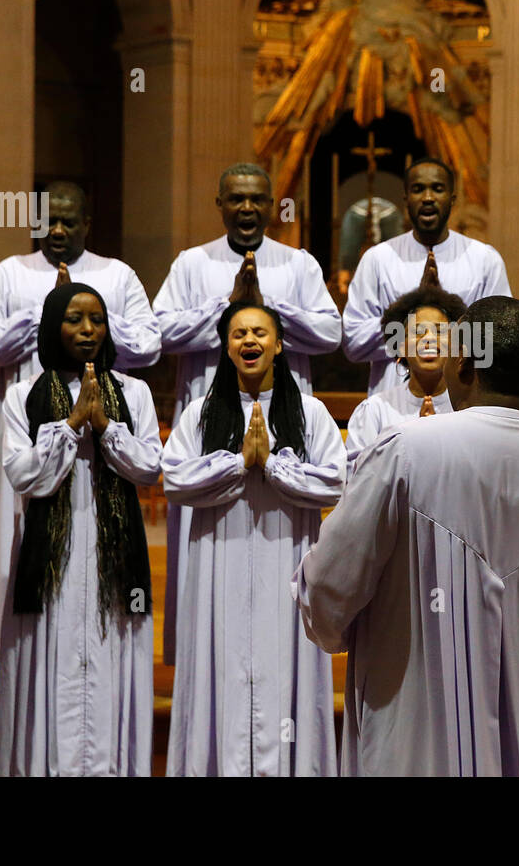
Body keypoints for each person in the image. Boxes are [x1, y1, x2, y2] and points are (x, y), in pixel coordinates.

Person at [296, 296, 519, 776]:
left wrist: (328, 622)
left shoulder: (408, 447)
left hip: (417, 697)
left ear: (465, 363)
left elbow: (332, 579)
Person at [0, 180, 161, 665]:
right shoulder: (9, 274)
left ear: (87, 224)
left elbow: (149, 342)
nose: (55, 229)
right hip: (25, 425)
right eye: (46, 220)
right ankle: (7, 640)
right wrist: (45, 316)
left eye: (67, 221)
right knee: (16, 525)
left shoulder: (116, 275)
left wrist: (84, 316)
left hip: (99, 427)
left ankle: (95, 638)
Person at [154, 163, 342, 664]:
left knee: (286, 528)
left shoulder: (297, 264)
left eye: (257, 199)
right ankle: (197, 646)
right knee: (210, 535)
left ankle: (289, 643)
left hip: (283, 411)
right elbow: (161, 333)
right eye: (235, 199)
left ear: (272, 204)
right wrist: (228, 305)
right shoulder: (192, 263)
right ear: (219, 204)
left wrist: (266, 307)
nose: (247, 209)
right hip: (211, 408)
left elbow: (330, 332)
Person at [162, 302, 344, 776]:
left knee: (286, 668)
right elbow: (174, 480)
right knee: (218, 670)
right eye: (239, 333)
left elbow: (334, 481)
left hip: (285, 558)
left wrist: (275, 466)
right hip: (218, 561)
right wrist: (238, 464)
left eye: (260, 333)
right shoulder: (202, 413)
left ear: (279, 345)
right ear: (226, 346)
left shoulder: (309, 412)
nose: (250, 341)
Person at [0, 283, 162, 776]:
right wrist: (69, 426)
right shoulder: (22, 395)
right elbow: (25, 476)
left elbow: (150, 467)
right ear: (51, 326)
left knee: (111, 658)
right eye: (74, 319)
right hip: (52, 561)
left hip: (115, 561)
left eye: (97, 319)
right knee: (54, 661)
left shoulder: (135, 392)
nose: (88, 330)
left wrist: (106, 427)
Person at [343, 157, 511, 396]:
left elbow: (497, 340)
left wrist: (445, 316)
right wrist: (410, 313)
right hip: (393, 400)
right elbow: (353, 342)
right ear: (406, 200)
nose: (428, 197)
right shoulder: (378, 259)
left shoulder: (484, 259)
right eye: (418, 189)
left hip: (462, 402)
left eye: (438, 189)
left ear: (452, 199)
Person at [345, 285, 467, 469]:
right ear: (400, 346)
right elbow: (357, 475)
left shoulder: (469, 408)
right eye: (418, 331)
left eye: (440, 331)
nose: (429, 339)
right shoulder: (375, 410)